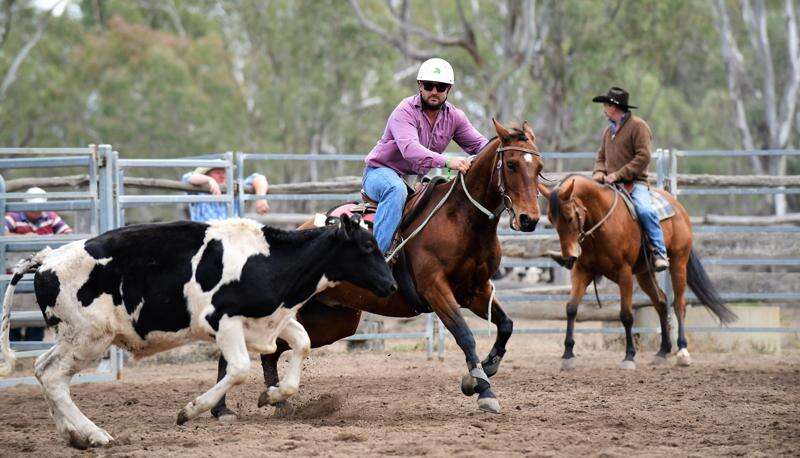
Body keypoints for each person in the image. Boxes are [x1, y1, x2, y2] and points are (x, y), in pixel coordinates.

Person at [363, 57, 489, 253]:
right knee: (396, 190)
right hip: (380, 173)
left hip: (415, 181)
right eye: (429, 85)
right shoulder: (404, 111)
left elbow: (481, 146)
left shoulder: (455, 117)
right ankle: (377, 260)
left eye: (441, 87)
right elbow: (410, 150)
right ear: (420, 86)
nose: (434, 91)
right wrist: (448, 161)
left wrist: (501, 151)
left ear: (448, 90)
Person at [591, 86, 669, 271]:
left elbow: (643, 157)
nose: (603, 109)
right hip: (610, 184)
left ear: (614, 107)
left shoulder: (638, 126)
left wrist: (618, 175)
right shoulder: (608, 132)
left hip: (634, 184)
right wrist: (599, 172)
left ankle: (659, 251)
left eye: (605, 105)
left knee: (644, 211)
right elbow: (601, 156)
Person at [4, 187, 73, 341]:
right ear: (25, 204)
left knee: (36, 321)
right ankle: (18, 354)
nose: (36, 211)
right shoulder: (13, 217)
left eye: (40, 207)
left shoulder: (51, 217)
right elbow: (3, 233)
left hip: (39, 278)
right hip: (15, 279)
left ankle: (31, 355)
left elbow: (68, 235)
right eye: (33, 206)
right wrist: (23, 237)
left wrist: (43, 239)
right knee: (13, 321)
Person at [182, 167, 269, 222]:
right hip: (205, 239)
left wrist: (261, 198)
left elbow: (259, 178)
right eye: (218, 173)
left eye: (224, 172)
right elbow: (187, 177)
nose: (222, 176)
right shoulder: (198, 191)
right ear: (206, 174)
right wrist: (209, 180)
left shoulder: (234, 189)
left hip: (231, 240)